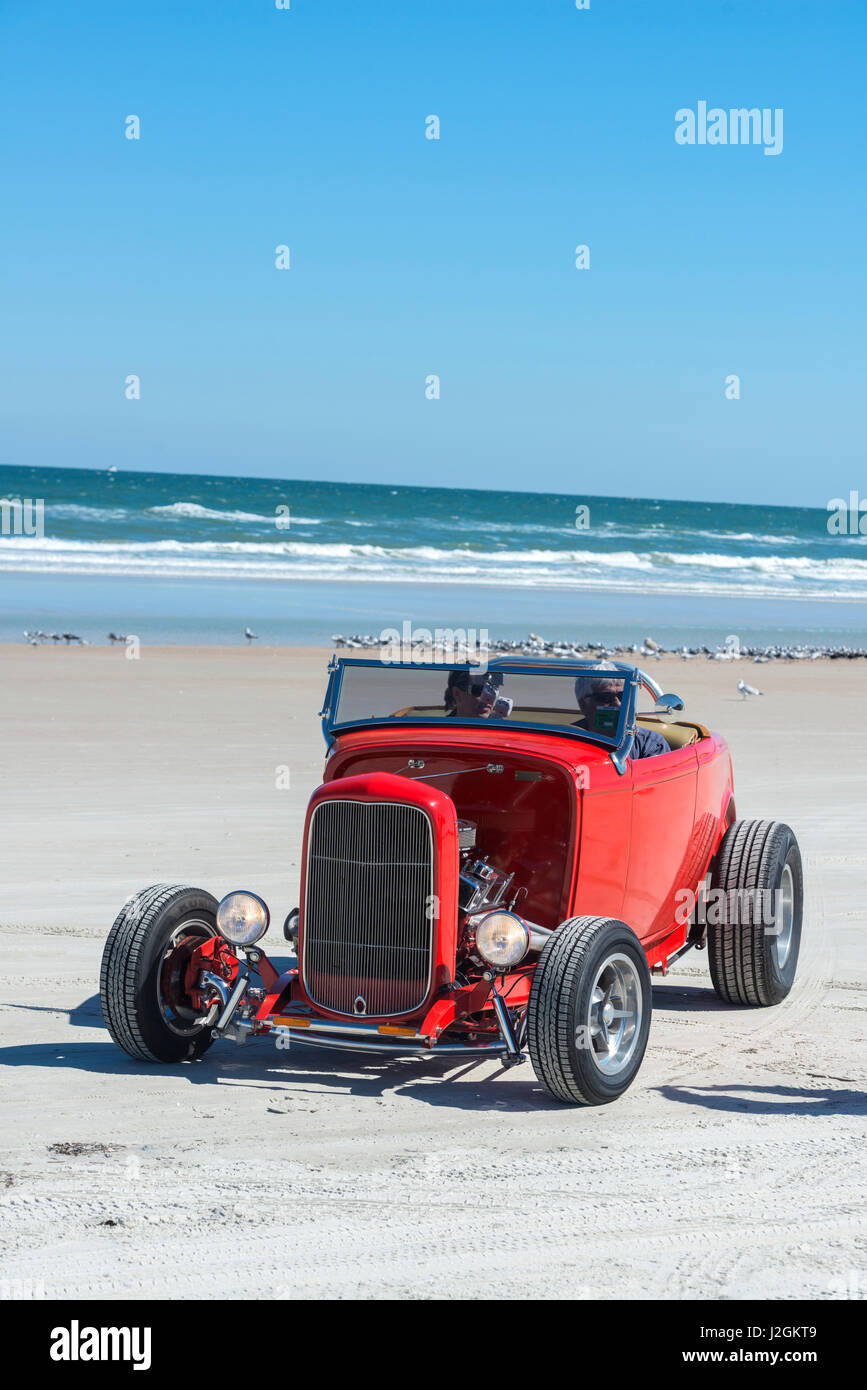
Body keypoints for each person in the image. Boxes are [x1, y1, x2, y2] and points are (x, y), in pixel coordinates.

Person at [573, 670, 671, 758]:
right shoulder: (569, 738)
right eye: (606, 698)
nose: (619, 704)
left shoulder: (648, 744)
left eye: (622, 696)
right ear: (584, 704)